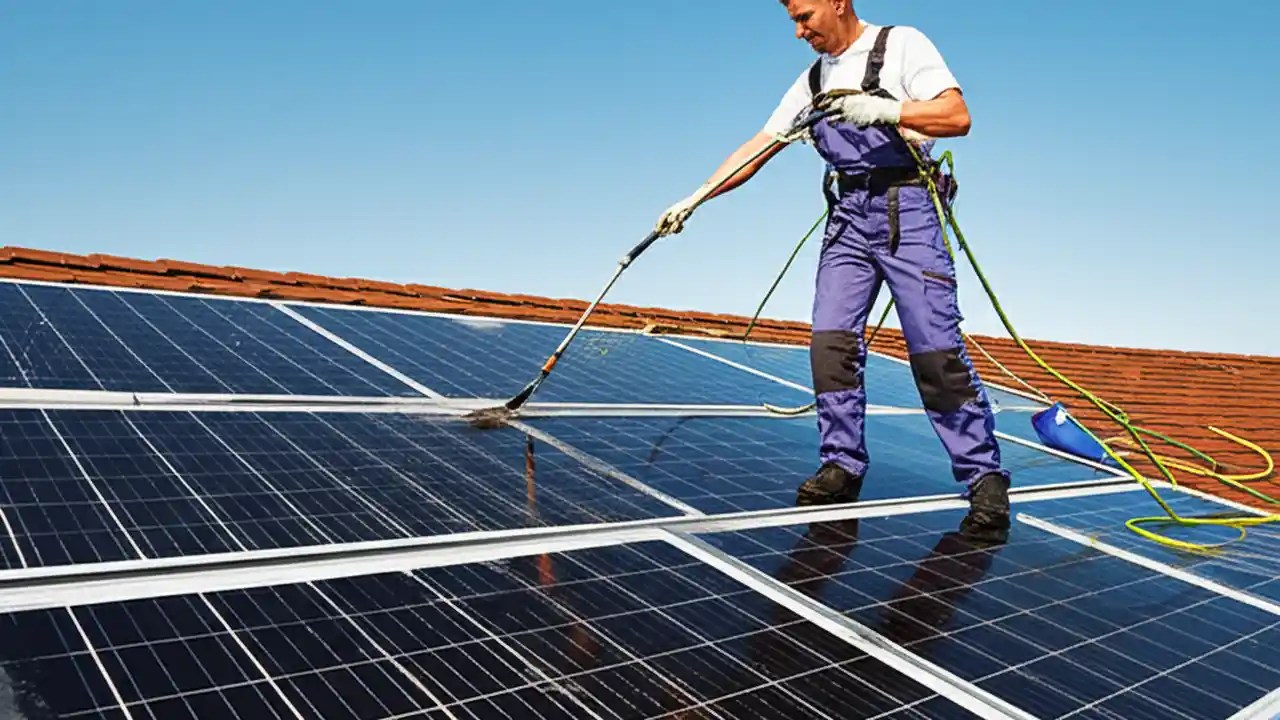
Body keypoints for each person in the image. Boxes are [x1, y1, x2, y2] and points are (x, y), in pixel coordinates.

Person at [652, 0, 1011, 539]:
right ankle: (842, 463)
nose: (798, 32)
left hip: (907, 210)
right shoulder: (813, 81)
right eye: (792, 20)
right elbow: (762, 146)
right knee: (830, 343)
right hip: (849, 217)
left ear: (838, 2)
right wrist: (697, 196)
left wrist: (889, 111)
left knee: (934, 353)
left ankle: (983, 477)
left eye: (804, 16)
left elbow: (956, 116)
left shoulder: (901, 45)